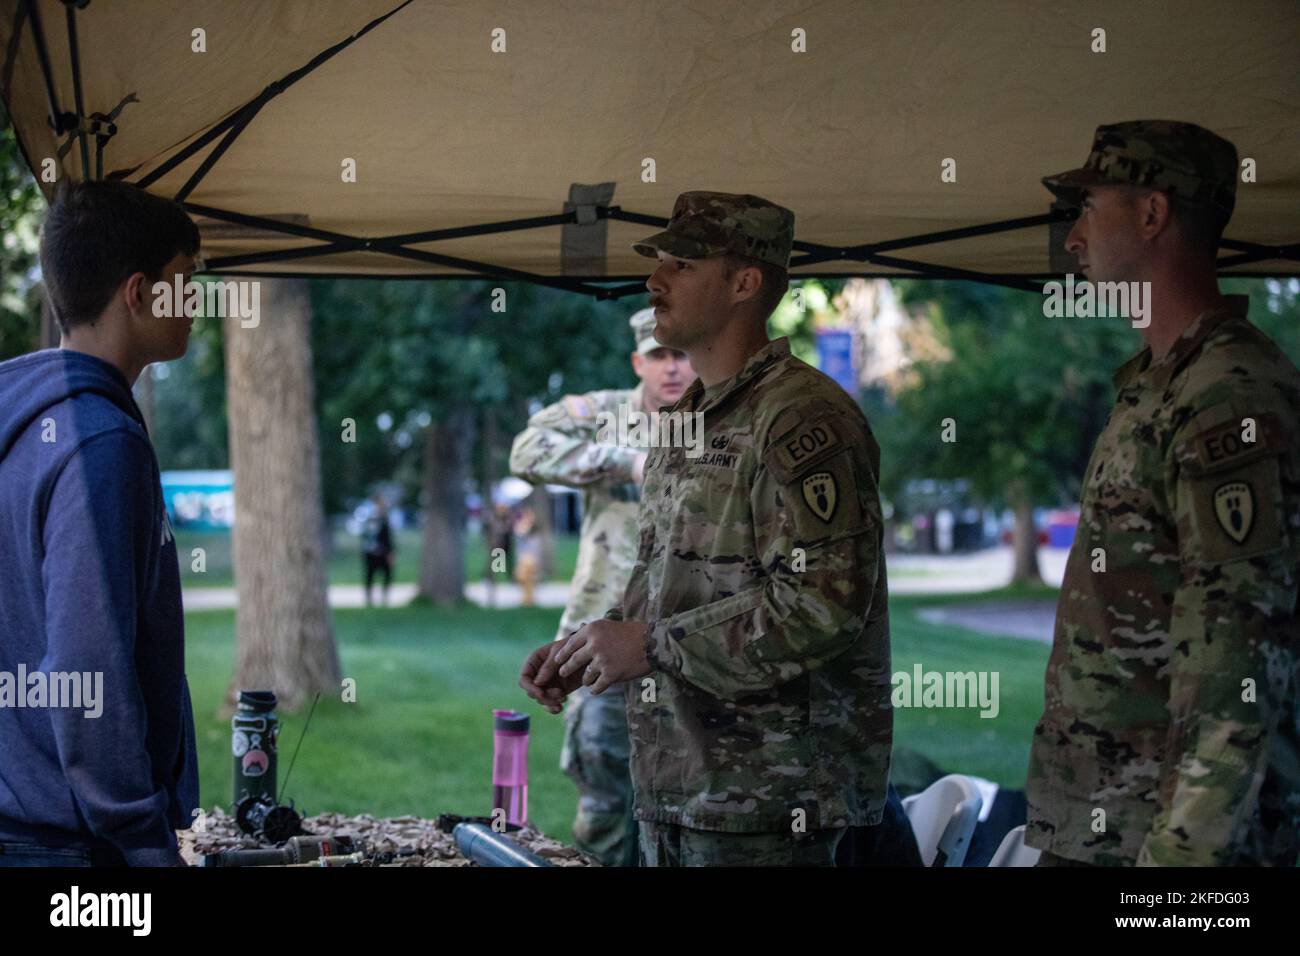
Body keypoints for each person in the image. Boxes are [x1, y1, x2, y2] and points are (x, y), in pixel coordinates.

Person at [520, 191, 893, 866]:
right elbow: (662, 585)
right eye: (659, 262)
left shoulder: (803, 417)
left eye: (682, 265)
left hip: (769, 799)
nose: (654, 282)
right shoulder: (689, 418)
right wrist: (590, 648)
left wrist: (650, 646)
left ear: (744, 284)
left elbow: (824, 605)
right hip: (678, 781)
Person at [1026, 121, 1300, 866]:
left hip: (1161, 845)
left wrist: (1179, 868)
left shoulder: (1226, 396)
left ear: (1152, 213)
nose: (1073, 238)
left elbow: (1238, 660)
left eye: (1090, 209)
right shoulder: (1157, 384)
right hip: (1102, 825)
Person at [0, 180, 202, 867]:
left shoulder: (30, 423)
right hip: (69, 852)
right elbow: (87, 670)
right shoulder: (101, 444)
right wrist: (144, 843)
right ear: (138, 293)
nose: (197, 303)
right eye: (186, 281)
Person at [509, 307, 695, 866]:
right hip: (602, 632)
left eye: (681, 354)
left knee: (688, 792)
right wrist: (623, 462)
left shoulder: (720, 419)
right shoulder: (608, 413)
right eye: (658, 356)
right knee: (603, 788)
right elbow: (526, 449)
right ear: (638, 362)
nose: (671, 368)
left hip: (687, 635)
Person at [360, 493, 395, 607]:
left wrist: (390, 552)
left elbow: (388, 537)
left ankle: (385, 597)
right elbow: (366, 537)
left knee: (387, 574)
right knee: (370, 575)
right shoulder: (369, 518)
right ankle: (369, 599)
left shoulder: (385, 519)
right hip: (371, 552)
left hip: (383, 552)